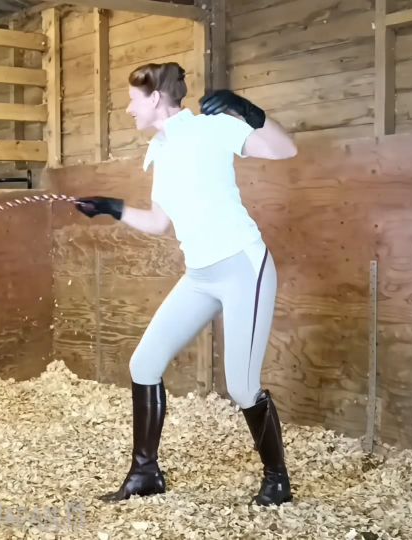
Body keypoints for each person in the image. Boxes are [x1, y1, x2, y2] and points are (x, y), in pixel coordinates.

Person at [75, 62, 297, 506]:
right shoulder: (159, 149)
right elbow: (160, 222)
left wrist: (245, 108)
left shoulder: (212, 128)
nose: (128, 109)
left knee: (241, 387)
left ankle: (277, 480)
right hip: (200, 276)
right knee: (144, 364)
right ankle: (145, 474)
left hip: (242, 267)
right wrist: (112, 208)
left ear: (156, 98)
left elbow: (284, 149)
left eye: (133, 100)